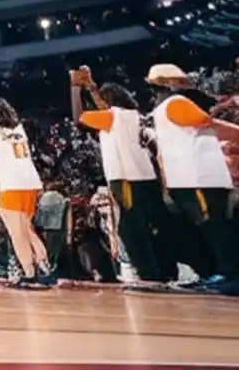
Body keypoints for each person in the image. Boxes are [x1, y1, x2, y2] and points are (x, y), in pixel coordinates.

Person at [69, 66, 173, 283]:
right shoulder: (137, 116)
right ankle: (167, 270)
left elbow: (79, 118)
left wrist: (75, 90)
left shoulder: (112, 117)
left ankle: (148, 275)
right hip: (147, 177)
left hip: (126, 178)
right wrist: (92, 86)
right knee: (156, 225)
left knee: (130, 229)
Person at [145, 63, 237, 289]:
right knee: (205, 229)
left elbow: (210, 124)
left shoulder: (174, 104)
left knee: (214, 228)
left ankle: (231, 274)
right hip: (189, 180)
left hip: (200, 180)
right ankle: (216, 272)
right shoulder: (169, 107)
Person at [0, 98, 52, 289]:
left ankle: (29, 274)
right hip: (31, 185)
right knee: (27, 229)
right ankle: (45, 269)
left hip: (11, 186)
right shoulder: (19, 131)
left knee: (17, 233)